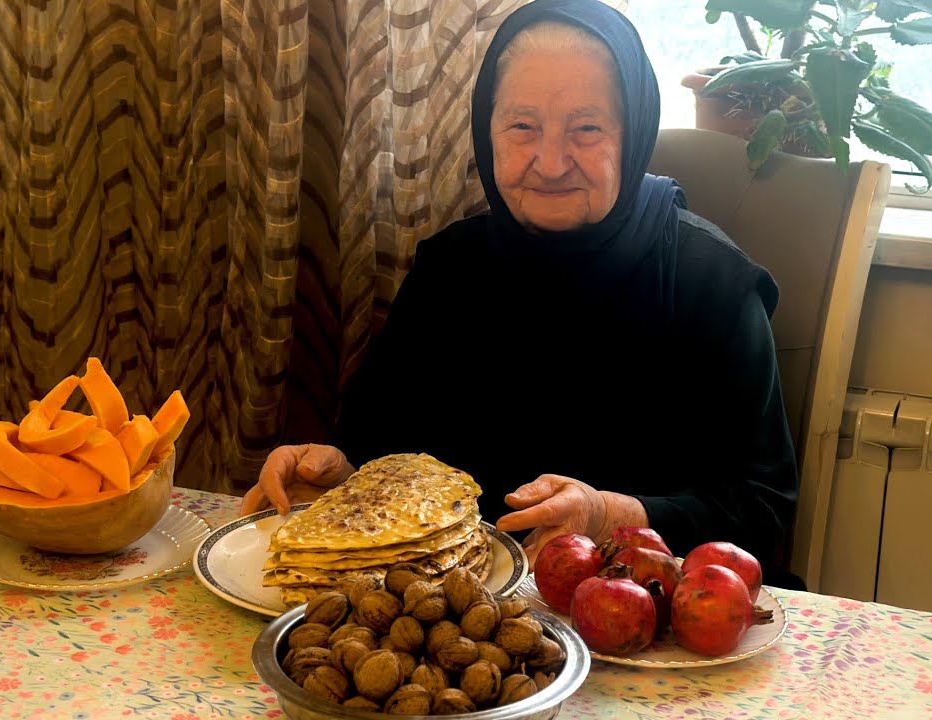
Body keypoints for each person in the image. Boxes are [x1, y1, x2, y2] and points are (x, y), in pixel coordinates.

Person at [240, 0, 802, 589]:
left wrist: (609, 515)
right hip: (450, 612)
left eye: (586, 129)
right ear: (487, 132)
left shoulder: (713, 283)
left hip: (634, 609)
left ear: (632, 134)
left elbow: (763, 510)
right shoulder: (449, 269)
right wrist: (338, 476)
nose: (551, 163)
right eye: (522, 127)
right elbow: (376, 446)